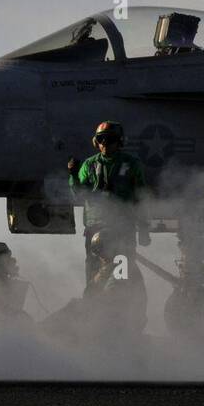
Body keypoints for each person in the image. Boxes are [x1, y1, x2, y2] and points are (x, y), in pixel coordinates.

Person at [67, 120, 150, 296]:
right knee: (93, 273)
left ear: (119, 141)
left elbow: (141, 197)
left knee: (122, 274)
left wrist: (143, 229)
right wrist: (73, 176)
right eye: (101, 139)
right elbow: (80, 194)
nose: (105, 143)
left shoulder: (132, 164)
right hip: (94, 228)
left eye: (110, 139)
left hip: (122, 228)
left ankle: (120, 311)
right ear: (96, 142)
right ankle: (93, 311)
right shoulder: (89, 165)